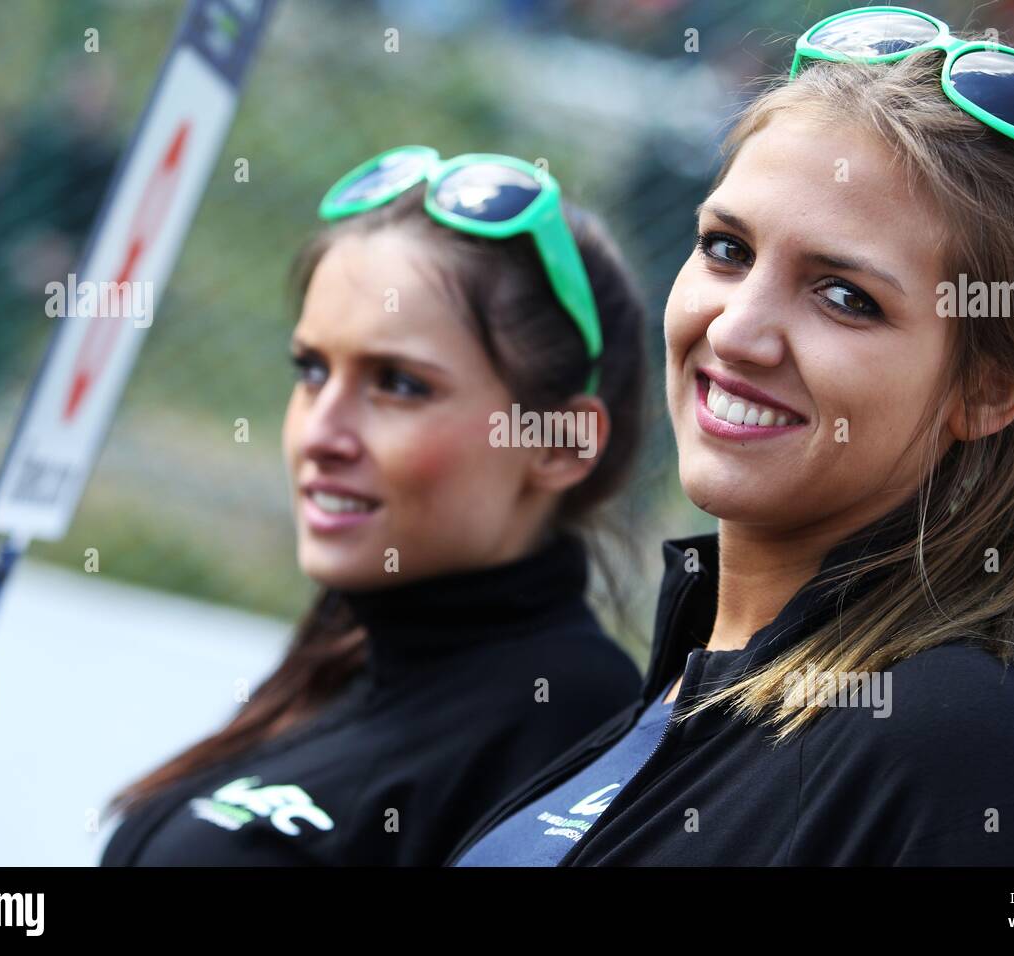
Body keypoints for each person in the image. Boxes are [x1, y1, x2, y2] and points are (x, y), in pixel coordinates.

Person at [448, 6, 1014, 866]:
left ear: (988, 390)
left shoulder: (960, 740)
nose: (736, 332)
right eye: (726, 249)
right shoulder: (694, 684)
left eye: (843, 297)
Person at [101, 146, 647, 865]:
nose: (319, 433)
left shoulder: (573, 723)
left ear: (558, 442)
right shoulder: (345, 649)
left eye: (399, 384)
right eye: (311, 370)